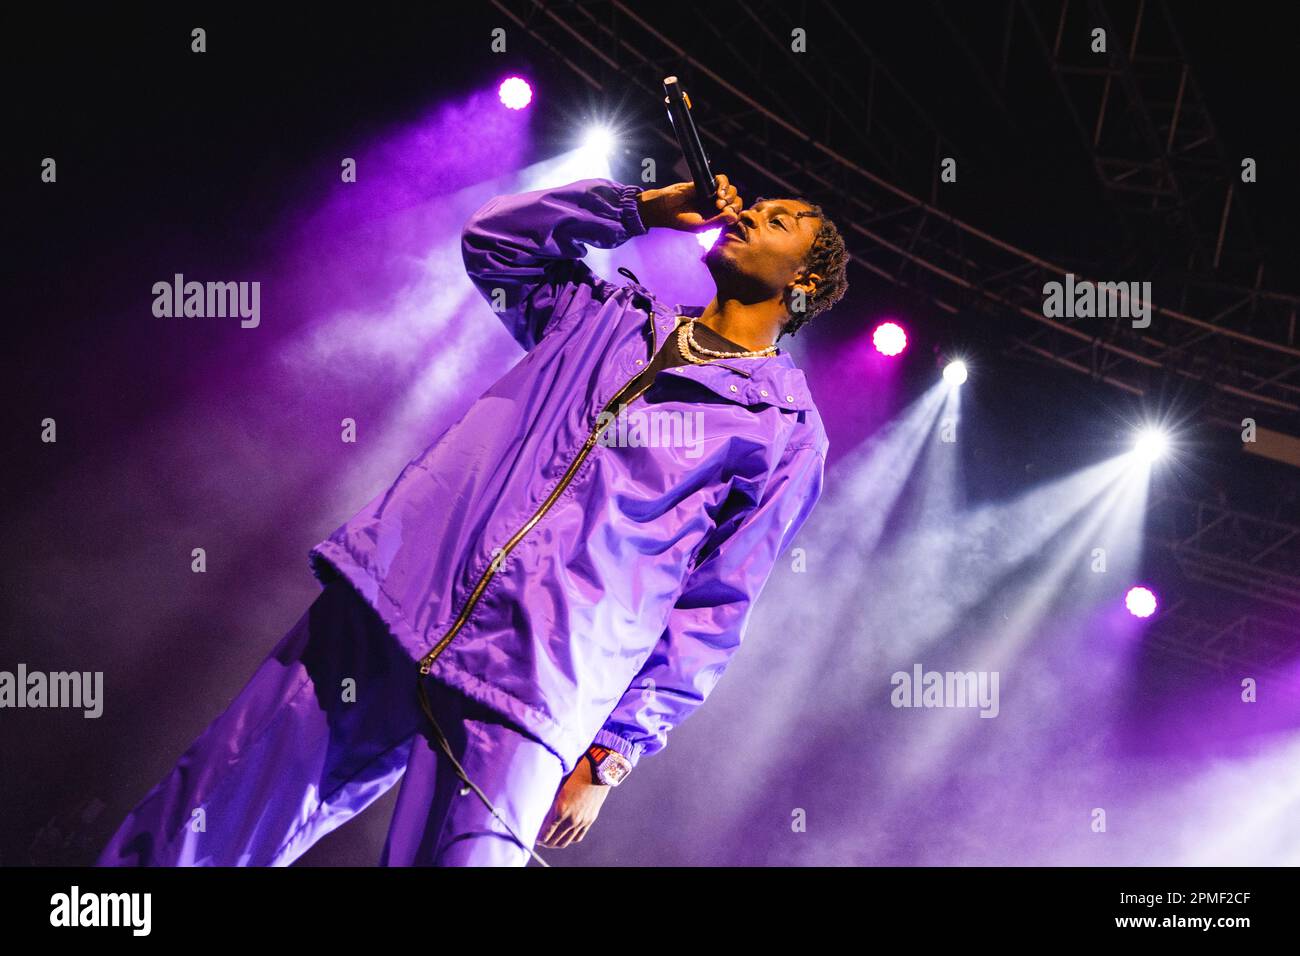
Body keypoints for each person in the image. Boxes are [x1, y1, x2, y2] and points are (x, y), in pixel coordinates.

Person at [96, 173, 848, 866]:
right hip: (397, 597)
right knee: (208, 809)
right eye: (758, 205)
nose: (749, 212)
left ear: (805, 282)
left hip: (536, 678)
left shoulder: (783, 430)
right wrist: (641, 210)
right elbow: (496, 243)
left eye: (778, 220)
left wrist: (610, 754)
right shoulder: (607, 315)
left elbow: (713, 609)